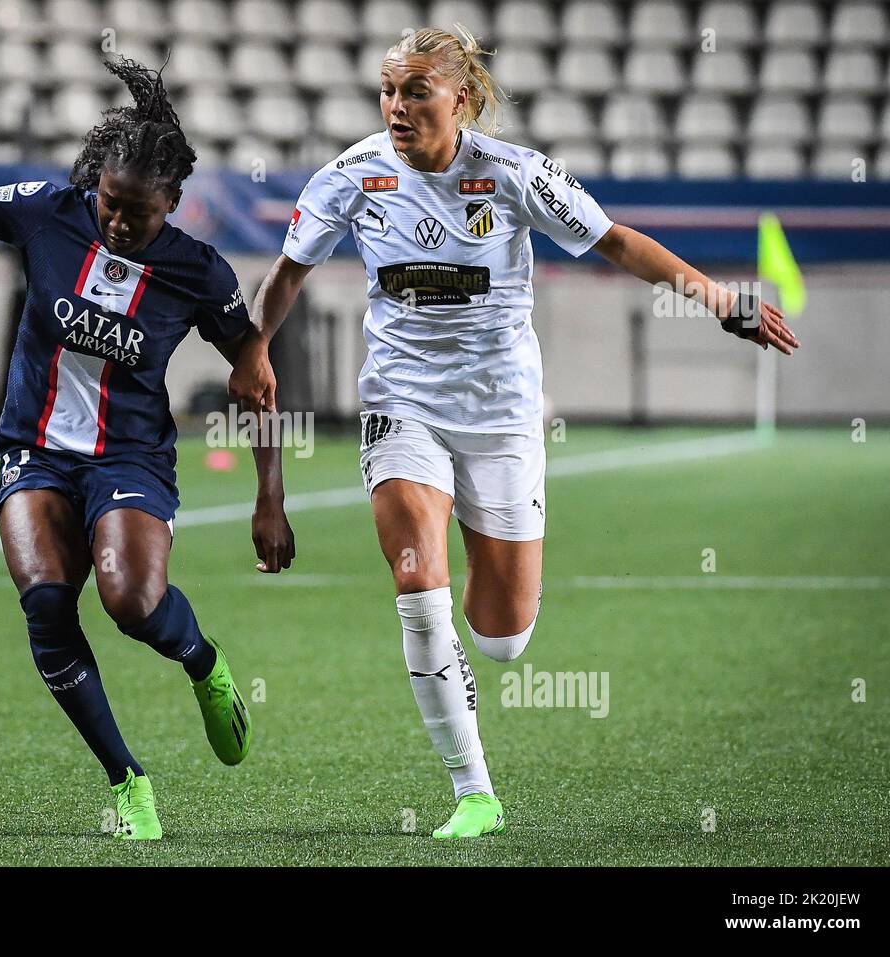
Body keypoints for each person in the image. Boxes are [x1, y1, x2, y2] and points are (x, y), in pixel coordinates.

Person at [230, 24, 799, 839]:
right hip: (401, 402)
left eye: (415, 91)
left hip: (499, 411)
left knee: (501, 637)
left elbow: (617, 242)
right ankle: (474, 793)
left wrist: (719, 300)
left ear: (459, 100)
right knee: (416, 584)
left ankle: (489, 576)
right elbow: (286, 274)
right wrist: (254, 349)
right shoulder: (351, 177)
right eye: (388, 90)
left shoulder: (512, 175)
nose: (396, 106)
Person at [0, 55, 296, 840]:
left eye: (138, 212)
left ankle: (204, 663)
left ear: (172, 203)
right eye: (109, 203)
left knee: (131, 603)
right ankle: (127, 778)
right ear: (93, 185)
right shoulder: (46, 210)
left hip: (129, 457)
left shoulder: (198, 274)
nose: (117, 222)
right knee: (45, 602)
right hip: (31, 446)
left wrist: (269, 497)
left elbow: (257, 380)